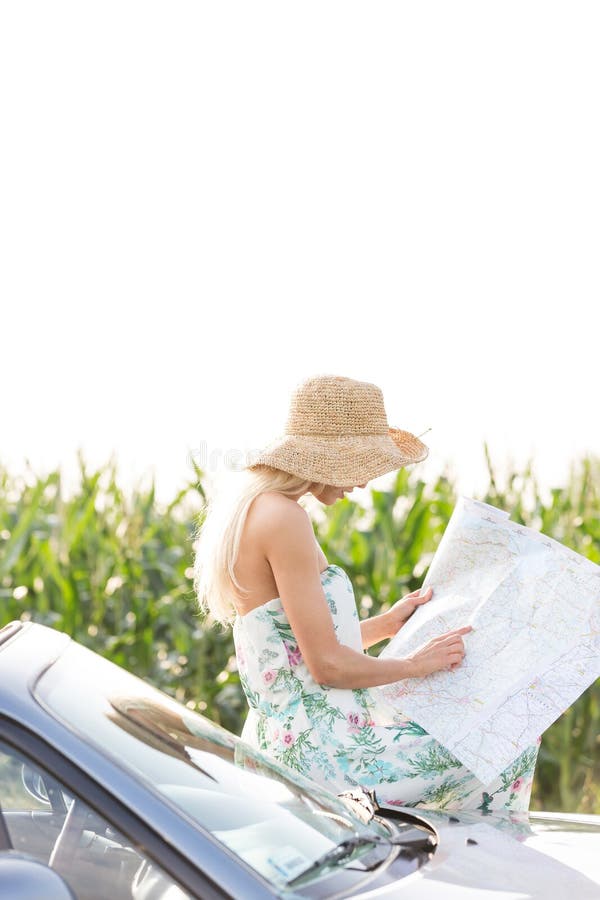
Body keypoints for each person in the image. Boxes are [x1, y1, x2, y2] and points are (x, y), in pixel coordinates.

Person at [193, 374, 540, 811]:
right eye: (358, 465)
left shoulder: (256, 512)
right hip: (327, 751)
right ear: (329, 457)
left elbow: (296, 649)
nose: (361, 483)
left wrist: (389, 623)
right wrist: (416, 664)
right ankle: (465, 868)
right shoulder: (284, 520)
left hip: (286, 738)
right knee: (508, 740)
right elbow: (326, 667)